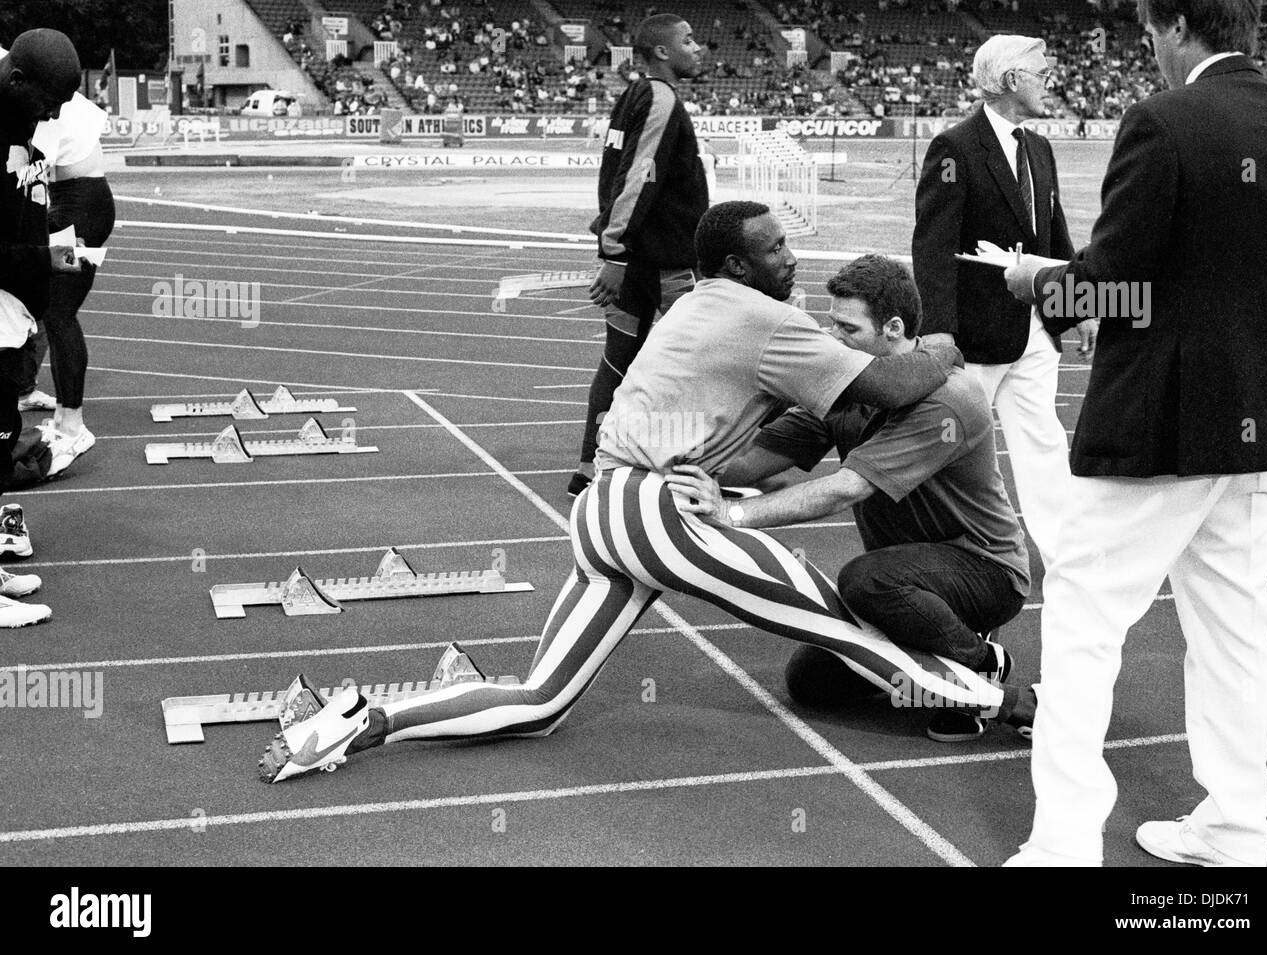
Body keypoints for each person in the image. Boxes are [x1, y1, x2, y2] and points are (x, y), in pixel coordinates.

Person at [258, 201, 1031, 784]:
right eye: (777, 248)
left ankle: (373, 717)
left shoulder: (691, 306)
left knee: (539, 700)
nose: (791, 258)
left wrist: (722, 477)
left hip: (600, 507)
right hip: (657, 511)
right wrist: (953, 337)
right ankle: (1009, 702)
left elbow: (759, 452)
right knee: (848, 630)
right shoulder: (764, 315)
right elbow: (893, 382)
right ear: (737, 266)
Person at [1002, 0, 1267, 867]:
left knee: (1085, 622)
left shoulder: (1163, 122)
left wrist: (1041, 284)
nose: (1151, 53)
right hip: (1257, 426)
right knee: (1236, 627)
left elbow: (1110, 281)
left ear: (1174, 26)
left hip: (1159, 426)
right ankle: (1237, 829)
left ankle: (1063, 845)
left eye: (1147, 35)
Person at [670, 254, 1034, 743]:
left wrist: (731, 513)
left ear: (893, 327)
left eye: (847, 328)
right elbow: (758, 458)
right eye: (831, 323)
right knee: (810, 683)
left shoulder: (948, 398)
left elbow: (846, 488)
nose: (833, 338)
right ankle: (939, 659)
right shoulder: (852, 383)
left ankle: (979, 664)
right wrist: (682, 457)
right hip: (907, 576)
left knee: (866, 581)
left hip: (983, 570)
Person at [911, 35, 1095, 574]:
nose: (1050, 79)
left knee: (1042, 441)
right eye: (1041, 71)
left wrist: (1076, 303)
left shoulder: (1038, 147)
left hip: (1036, 328)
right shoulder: (955, 147)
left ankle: (1065, 557)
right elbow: (934, 245)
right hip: (976, 336)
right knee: (949, 443)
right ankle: (932, 548)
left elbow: (1053, 236)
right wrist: (940, 331)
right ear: (1012, 80)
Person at [567, 13, 709, 497]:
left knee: (618, 360)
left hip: (632, 260)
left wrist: (611, 242)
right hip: (662, 265)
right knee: (690, 362)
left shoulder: (633, 94)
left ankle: (590, 468)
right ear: (663, 52)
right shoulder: (661, 98)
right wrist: (615, 252)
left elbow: (614, 174)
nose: (699, 47)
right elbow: (634, 178)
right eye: (688, 40)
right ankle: (686, 471)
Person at [0, 29, 83, 627]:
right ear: (16, 79)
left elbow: (27, 209)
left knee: (2, 439)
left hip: (13, 311)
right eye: (47, 100)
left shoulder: (21, 127)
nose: (53, 114)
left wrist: (52, 260)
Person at [30, 89, 114, 475]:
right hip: (76, 201)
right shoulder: (33, 73)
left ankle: (72, 425)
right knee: (52, 308)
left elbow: (32, 165)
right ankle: (61, 414)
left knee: (60, 313)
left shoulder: (27, 85)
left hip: (79, 206)